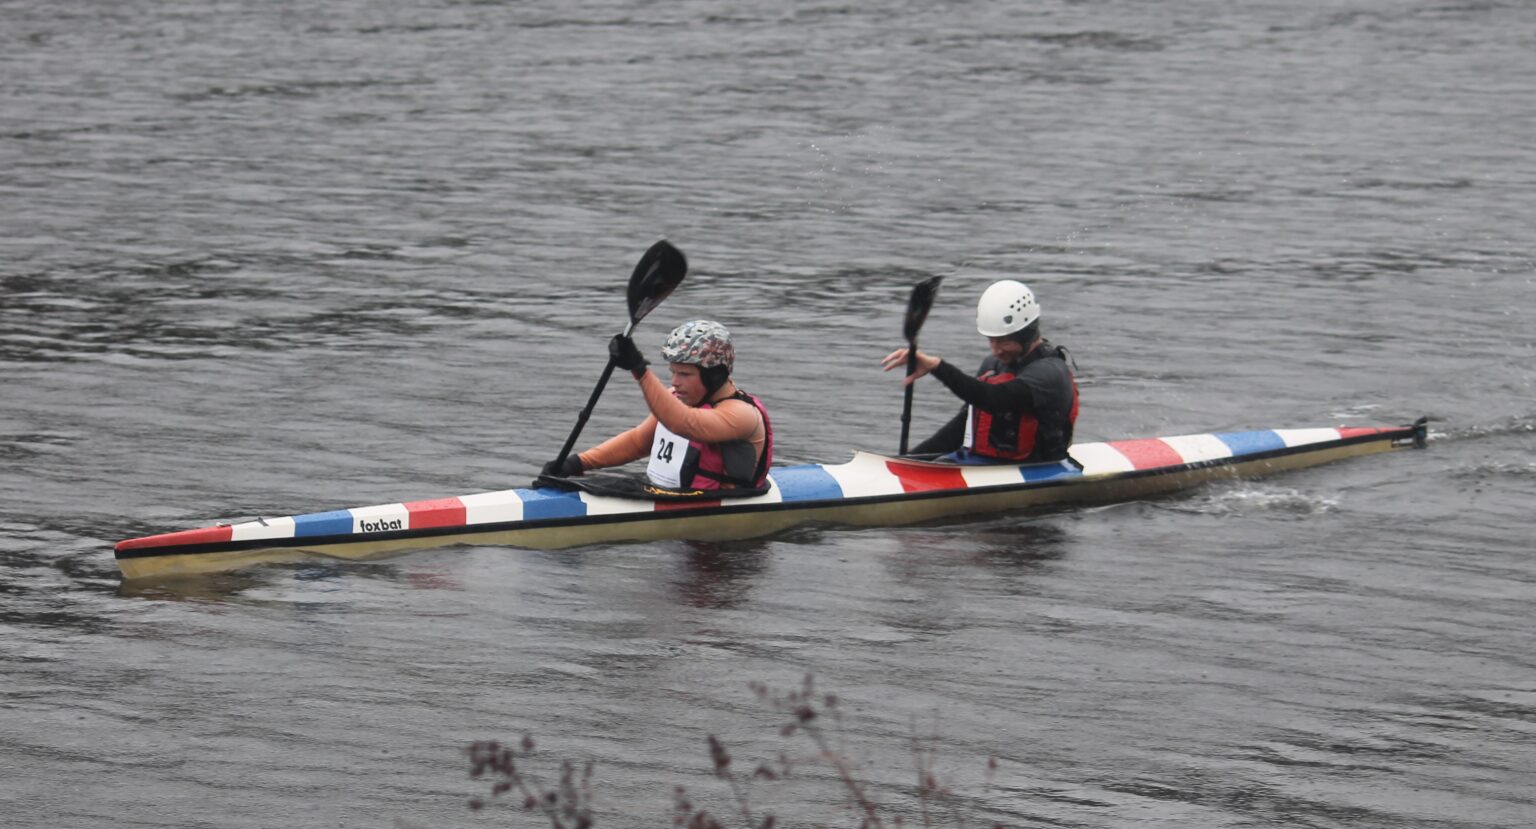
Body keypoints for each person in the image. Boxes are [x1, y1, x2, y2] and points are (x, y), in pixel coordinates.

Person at [543, 320, 773, 490]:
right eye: (673, 372)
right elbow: (638, 442)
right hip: (667, 495)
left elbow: (685, 423)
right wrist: (576, 463)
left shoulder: (742, 414)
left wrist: (639, 370)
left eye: (684, 374)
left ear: (715, 375)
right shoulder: (677, 398)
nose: (675, 382)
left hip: (715, 508)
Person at [881, 279, 1078, 464]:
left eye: (1003, 341)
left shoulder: (1049, 374)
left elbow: (994, 399)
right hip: (987, 464)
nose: (996, 350)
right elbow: (960, 428)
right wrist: (908, 461)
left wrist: (937, 367)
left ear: (1027, 335)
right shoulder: (993, 365)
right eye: (991, 340)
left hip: (1038, 468)